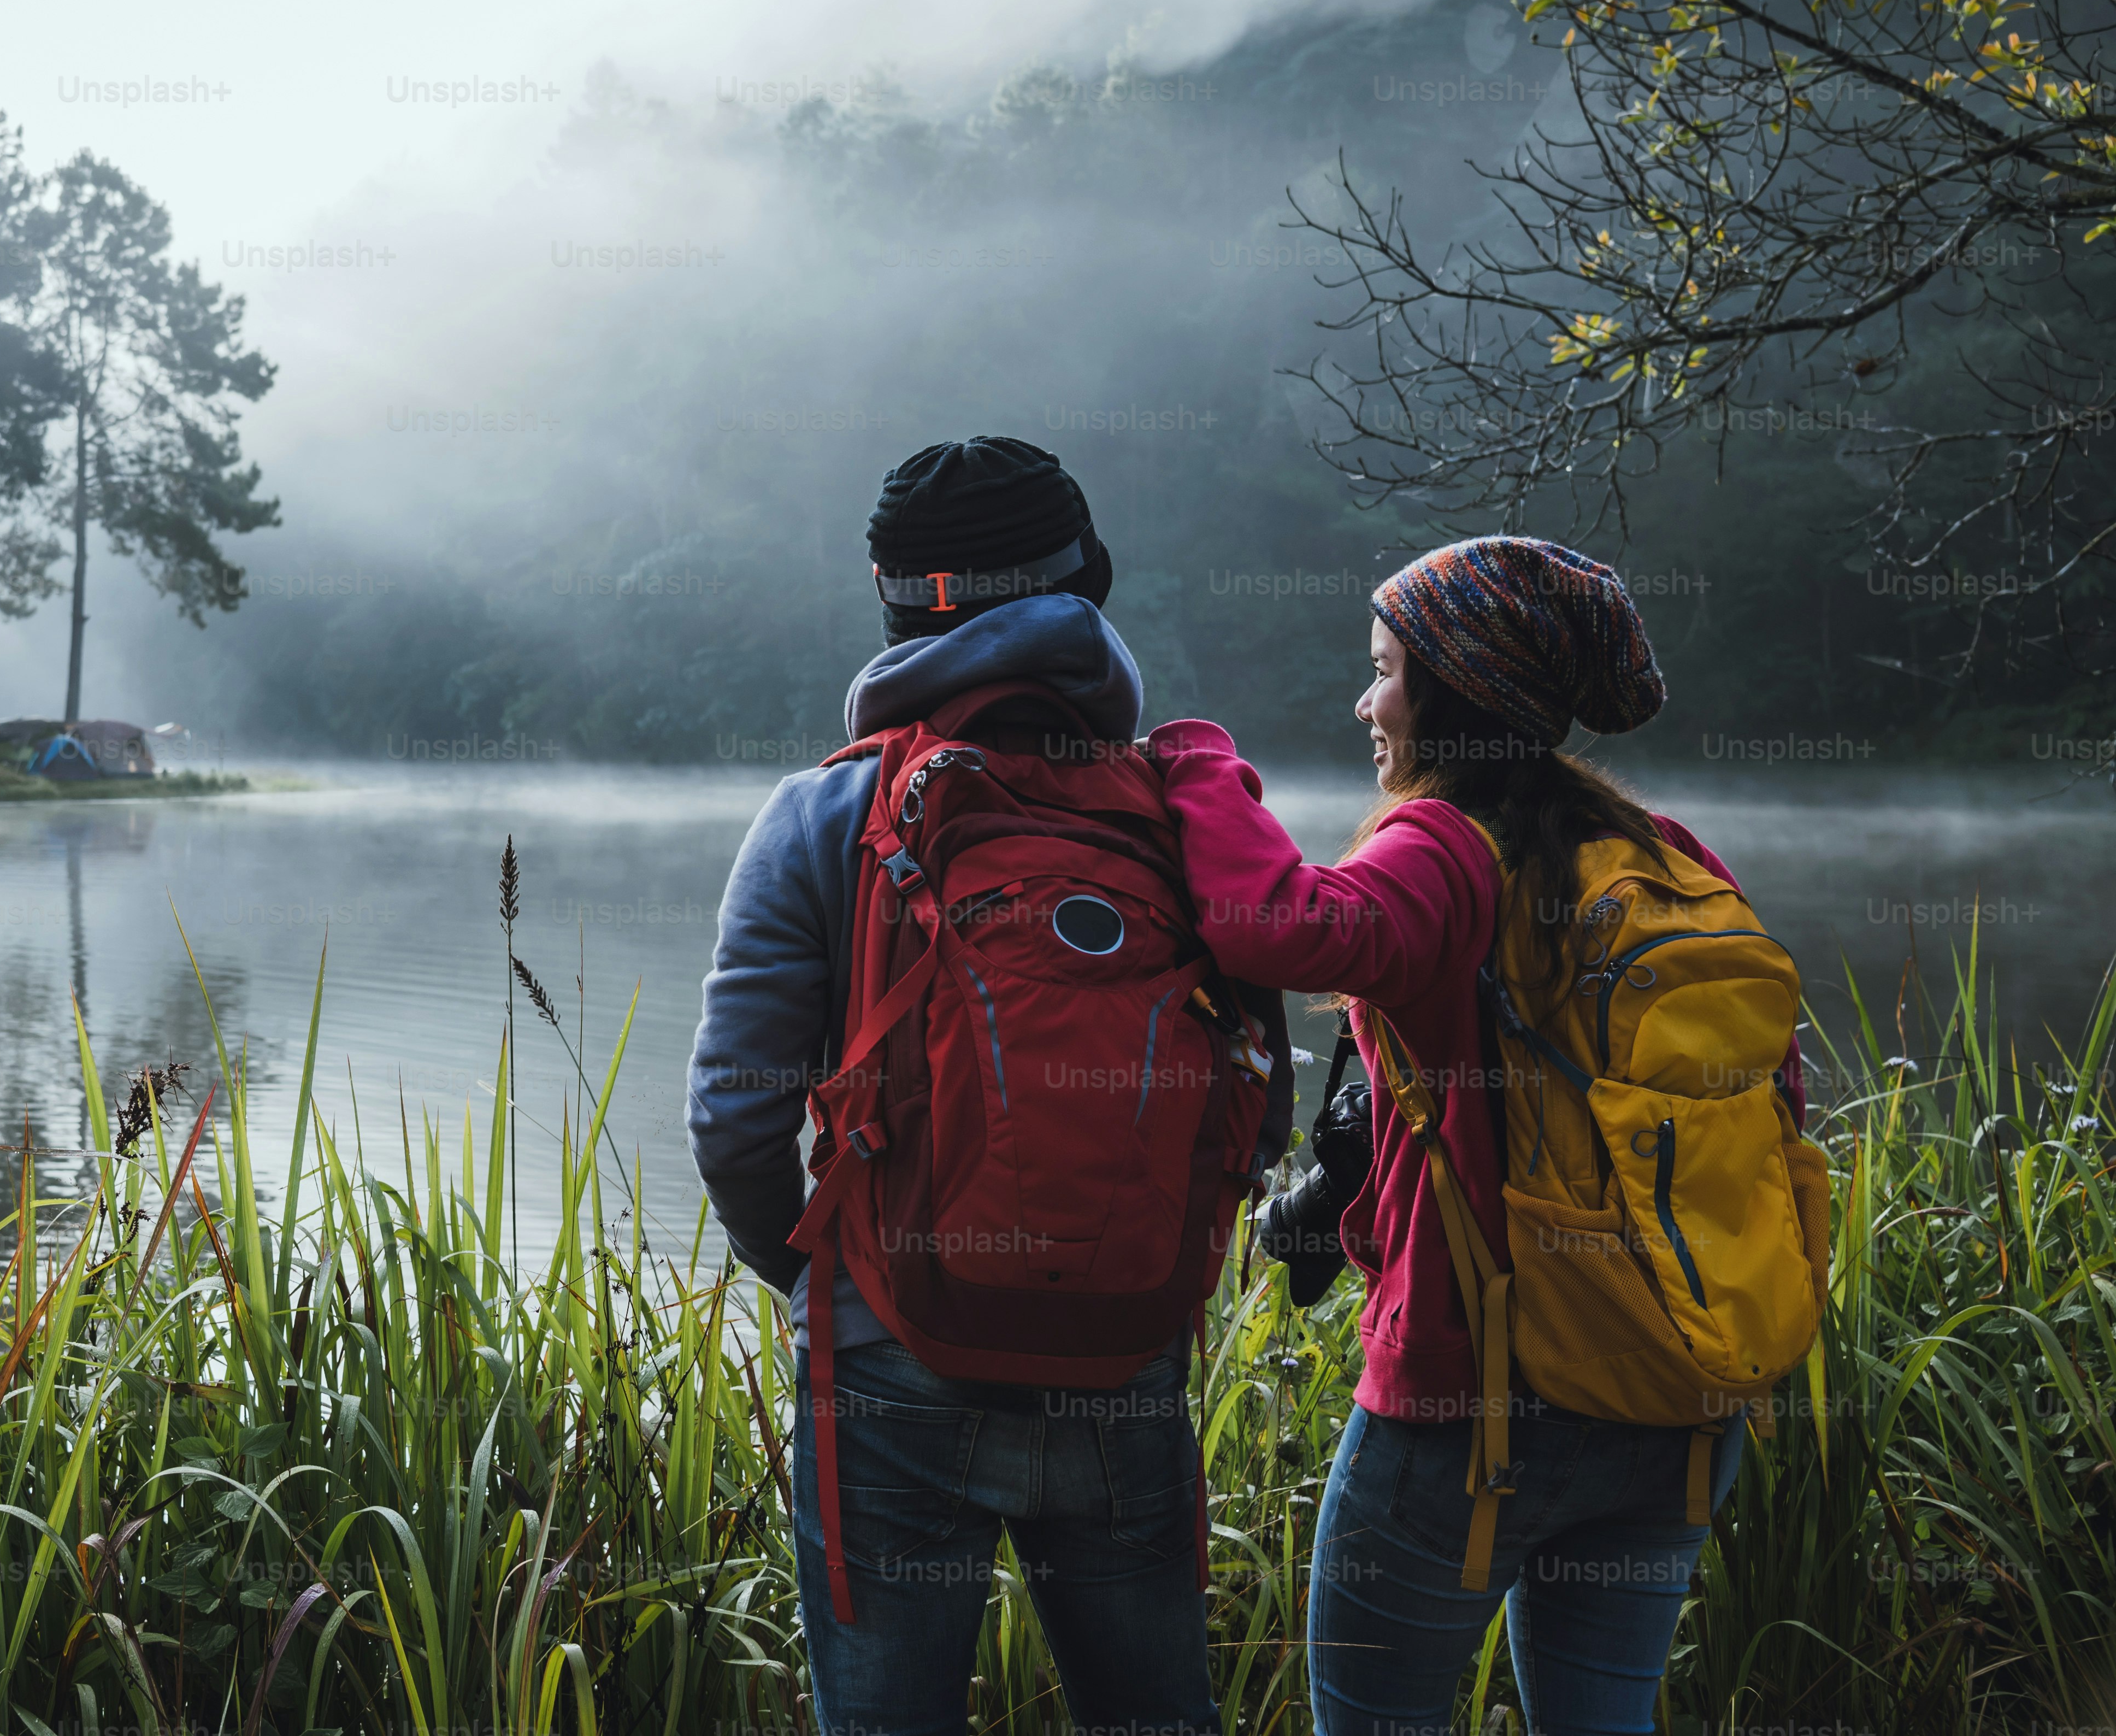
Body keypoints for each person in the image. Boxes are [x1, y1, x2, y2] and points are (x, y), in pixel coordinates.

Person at [1143, 536, 1808, 1736]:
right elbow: (1772, 1096)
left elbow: (1273, 924)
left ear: (1454, 688)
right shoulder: (1667, 857)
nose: (1364, 700)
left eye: (1385, 669)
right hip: (1674, 1386)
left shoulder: (1447, 847)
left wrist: (1196, 766)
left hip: (1470, 1409)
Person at [689, 437, 1266, 1736]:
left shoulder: (821, 815)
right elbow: (1256, 1085)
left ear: (895, 606)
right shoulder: (1179, 810)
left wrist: (811, 1276)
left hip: (893, 1350)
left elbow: (732, 1111)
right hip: (1121, 1352)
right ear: (1089, 591)